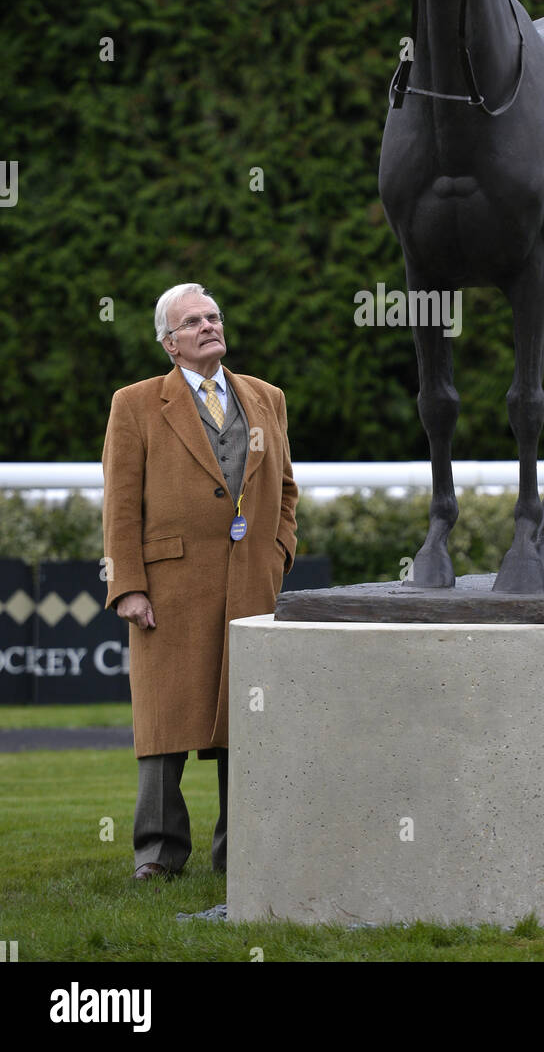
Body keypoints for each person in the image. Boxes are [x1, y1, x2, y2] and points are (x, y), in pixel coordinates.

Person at [102, 283, 298, 879]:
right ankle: (158, 856)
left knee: (247, 717)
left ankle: (239, 854)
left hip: (250, 584)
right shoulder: (134, 404)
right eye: (194, 321)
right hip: (168, 587)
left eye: (213, 316)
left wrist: (278, 551)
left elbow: (286, 489)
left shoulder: (267, 398)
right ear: (170, 344)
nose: (210, 326)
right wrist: (129, 585)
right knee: (165, 724)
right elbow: (119, 505)